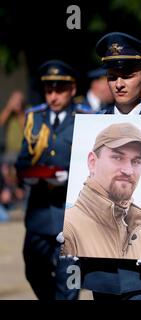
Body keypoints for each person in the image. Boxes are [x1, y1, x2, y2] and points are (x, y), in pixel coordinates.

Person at [60, 32, 141, 300]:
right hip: (101, 268)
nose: (119, 83)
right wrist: (73, 229)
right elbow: (78, 188)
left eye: (128, 74)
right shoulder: (90, 126)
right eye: (112, 75)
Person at [15, 60, 91, 300]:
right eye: (49, 90)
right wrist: (28, 177)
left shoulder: (85, 118)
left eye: (59, 90)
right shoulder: (33, 117)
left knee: (69, 280)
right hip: (39, 213)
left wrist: (70, 177)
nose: (53, 96)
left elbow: (94, 163)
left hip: (71, 215)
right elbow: (23, 160)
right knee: (34, 270)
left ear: (71, 90)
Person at [62, 123, 141, 259]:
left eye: (136, 161)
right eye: (117, 158)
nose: (128, 171)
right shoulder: (67, 230)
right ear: (92, 162)